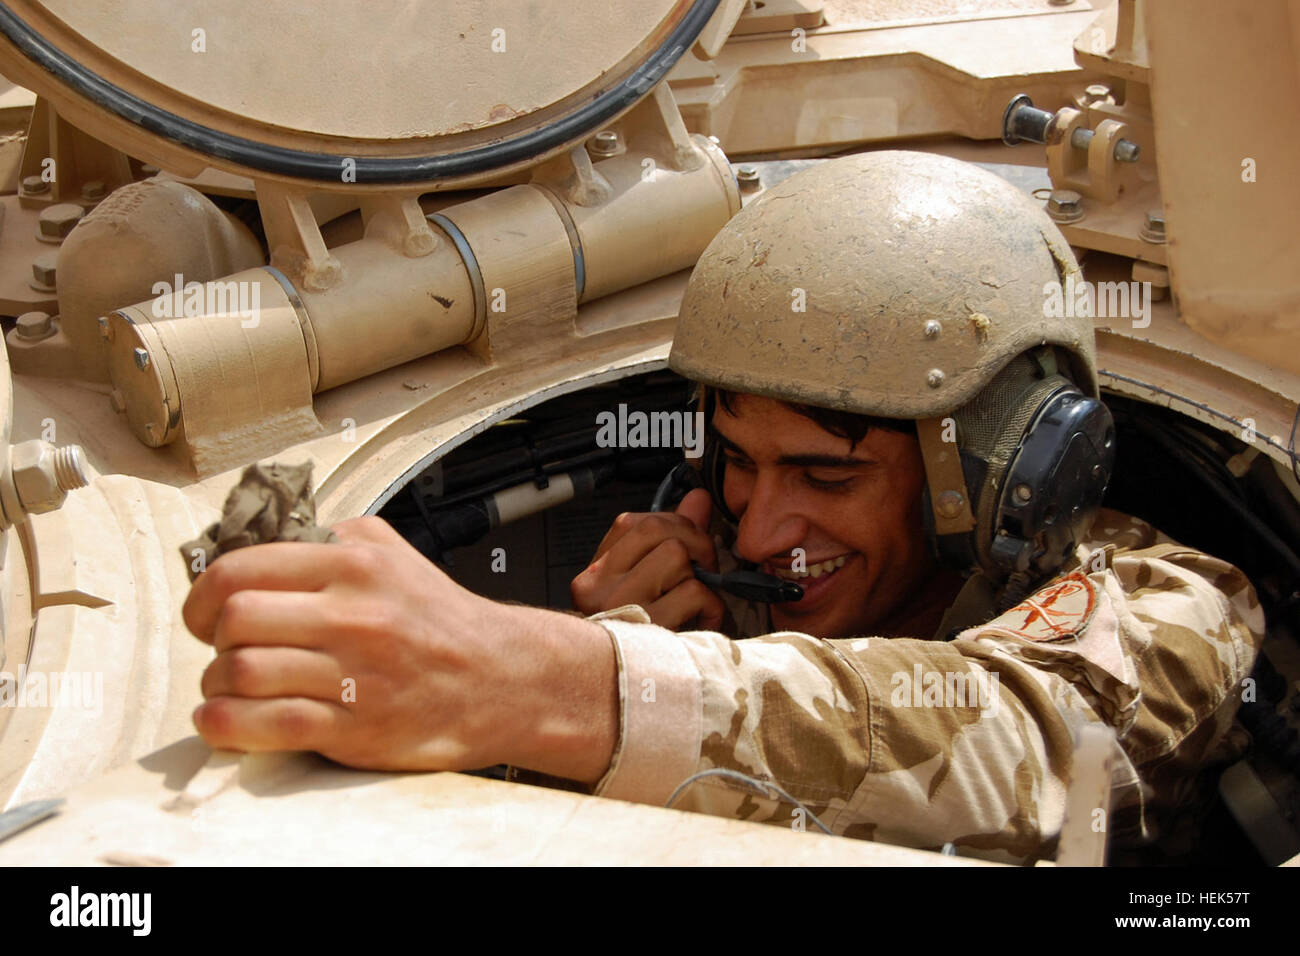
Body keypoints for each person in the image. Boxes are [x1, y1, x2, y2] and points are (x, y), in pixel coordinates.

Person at [182, 151, 1263, 863]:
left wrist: (545, 675)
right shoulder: (729, 596)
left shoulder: (1177, 609)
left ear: (1010, 469)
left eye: (826, 476)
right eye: (740, 461)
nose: (758, 529)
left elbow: (1024, 753)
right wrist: (625, 638)